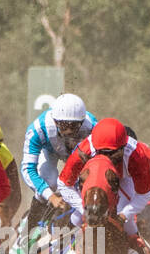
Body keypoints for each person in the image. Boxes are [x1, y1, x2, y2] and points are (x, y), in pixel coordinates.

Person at [55, 117, 150, 254]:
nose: (106, 157)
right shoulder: (84, 149)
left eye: (112, 154)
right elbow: (63, 184)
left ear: (123, 148)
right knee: (75, 219)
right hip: (94, 181)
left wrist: (124, 215)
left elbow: (145, 194)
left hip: (124, 180)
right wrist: (84, 209)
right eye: (101, 152)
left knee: (130, 226)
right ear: (94, 147)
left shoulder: (136, 155)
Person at [21, 93, 98, 225]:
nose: (68, 131)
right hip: (50, 151)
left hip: (80, 154)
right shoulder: (37, 129)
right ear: (55, 121)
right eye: (63, 125)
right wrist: (50, 196)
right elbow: (28, 169)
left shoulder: (92, 127)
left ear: (82, 122)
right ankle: (29, 229)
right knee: (50, 179)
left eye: (74, 126)